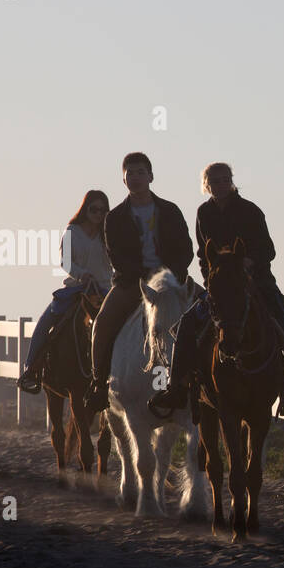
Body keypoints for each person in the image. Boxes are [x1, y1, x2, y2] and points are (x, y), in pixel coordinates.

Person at [147, 162, 284, 418]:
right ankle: (176, 387)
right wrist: (212, 281)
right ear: (207, 185)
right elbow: (204, 255)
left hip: (256, 284)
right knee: (187, 324)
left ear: (232, 181)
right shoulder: (204, 213)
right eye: (215, 180)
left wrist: (248, 262)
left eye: (225, 179)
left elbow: (268, 250)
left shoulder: (250, 211)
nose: (221, 184)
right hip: (220, 289)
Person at [83, 152, 194, 413]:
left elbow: (186, 248)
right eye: (129, 173)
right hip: (132, 283)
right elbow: (116, 255)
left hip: (170, 282)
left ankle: (206, 383)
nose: (135, 177)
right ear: (123, 179)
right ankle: (99, 385)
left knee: (209, 312)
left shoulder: (170, 210)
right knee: (102, 323)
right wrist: (143, 277)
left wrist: (170, 274)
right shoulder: (115, 217)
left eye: (140, 172)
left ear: (151, 177)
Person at [18, 190, 112, 393]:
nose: (98, 214)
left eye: (102, 210)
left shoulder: (109, 234)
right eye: (93, 209)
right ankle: (31, 369)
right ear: (85, 209)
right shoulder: (72, 231)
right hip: (76, 287)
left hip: (104, 288)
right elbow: (65, 261)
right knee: (46, 321)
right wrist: (82, 274)